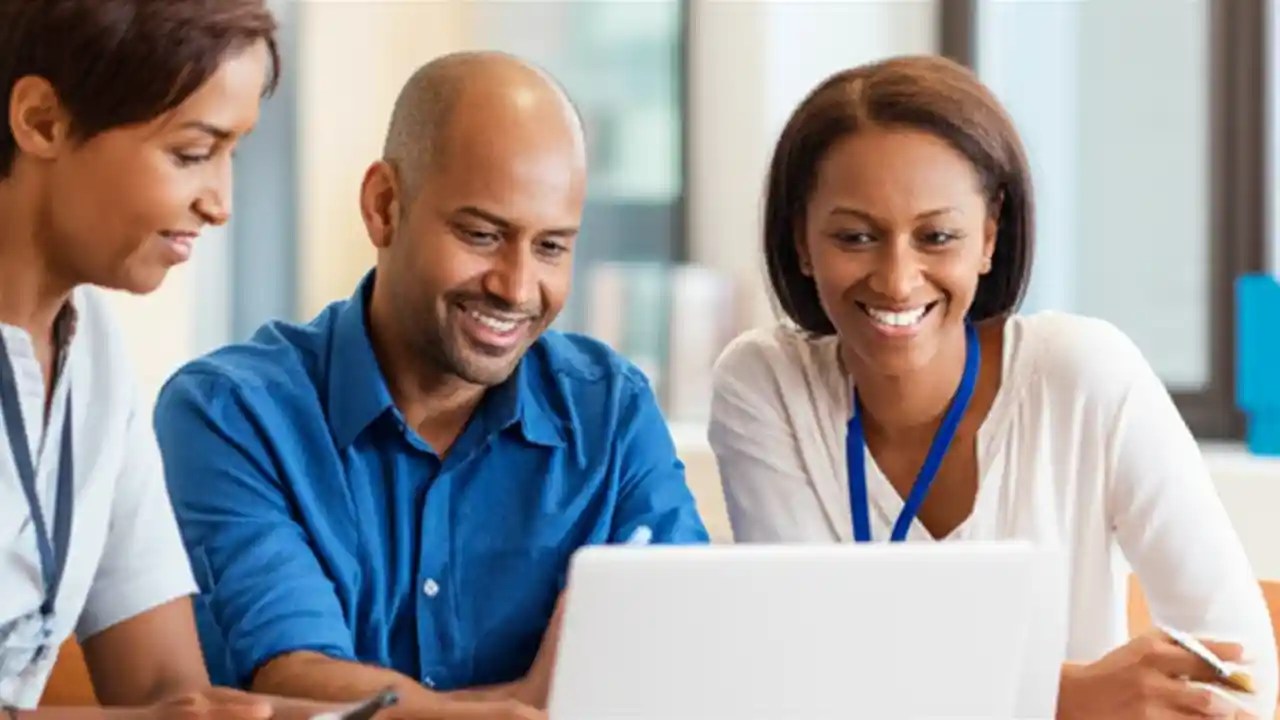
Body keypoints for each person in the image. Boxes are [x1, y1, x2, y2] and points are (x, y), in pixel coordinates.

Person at [706, 54, 1277, 720]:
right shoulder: (765, 385)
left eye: (937, 236)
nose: (896, 279)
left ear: (990, 234)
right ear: (801, 240)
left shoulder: (1085, 375)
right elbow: (809, 678)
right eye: (855, 237)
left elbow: (1246, 677)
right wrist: (1065, 697)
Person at [152, 50, 708, 720]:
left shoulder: (610, 414)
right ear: (384, 207)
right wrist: (527, 704)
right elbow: (293, 682)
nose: (517, 286)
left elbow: (679, 666)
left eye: (552, 247)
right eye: (481, 234)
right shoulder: (229, 416)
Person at [0, 2, 343, 719]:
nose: (220, 203)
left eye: (232, 154)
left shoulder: (93, 348)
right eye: (192, 153)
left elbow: (164, 689)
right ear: (42, 122)